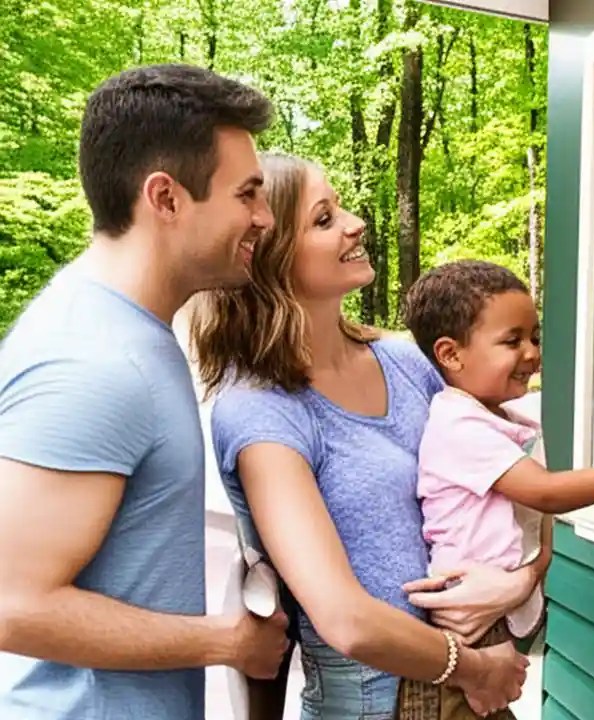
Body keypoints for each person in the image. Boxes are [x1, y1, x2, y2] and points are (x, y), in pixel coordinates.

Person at [188, 153, 535, 719]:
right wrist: (476, 668)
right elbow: (343, 618)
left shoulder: (407, 362)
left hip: (475, 683)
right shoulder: (261, 413)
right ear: (271, 257)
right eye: (324, 219)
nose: (355, 223)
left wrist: (519, 581)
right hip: (382, 700)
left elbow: (523, 485)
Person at [0, 64, 291, 719]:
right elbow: (14, 606)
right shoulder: (91, 360)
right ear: (165, 198)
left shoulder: (132, 333)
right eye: (247, 194)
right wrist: (229, 643)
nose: (265, 218)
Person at [395, 260, 594, 718]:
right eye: (511, 341)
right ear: (451, 355)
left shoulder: (505, 416)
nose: (532, 353)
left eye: (534, 336)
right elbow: (548, 494)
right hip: (467, 628)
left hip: (493, 616)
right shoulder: (459, 425)